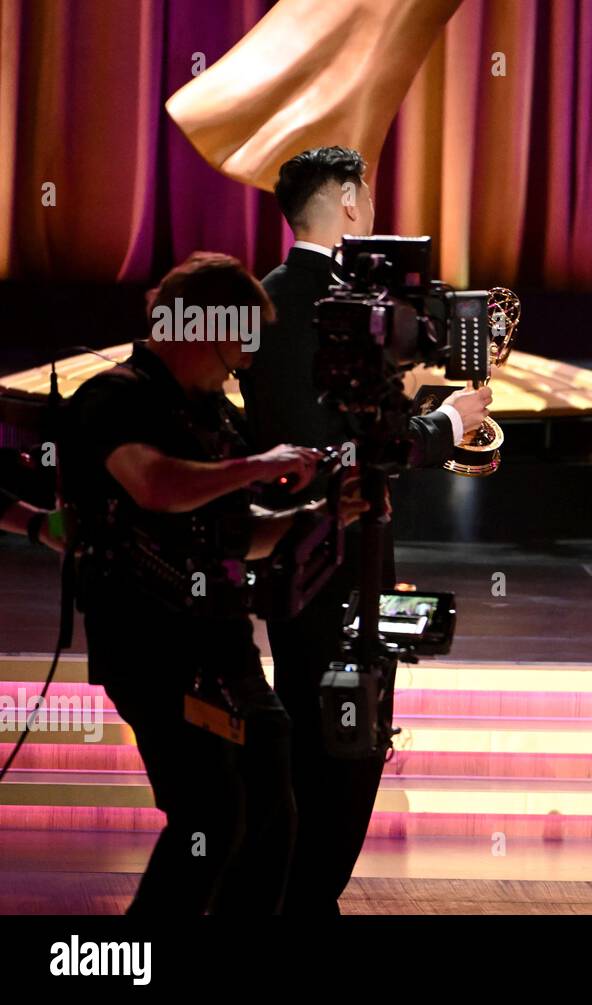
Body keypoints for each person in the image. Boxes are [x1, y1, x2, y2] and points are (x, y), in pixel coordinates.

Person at [60, 252, 366, 913]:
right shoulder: (115, 398)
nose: (246, 362)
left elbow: (242, 532)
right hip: (150, 643)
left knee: (271, 814)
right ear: (196, 326)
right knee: (210, 815)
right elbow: (156, 485)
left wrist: (319, 513)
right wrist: (257, 464)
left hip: (224, 643)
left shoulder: (217, 416)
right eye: (238, 341)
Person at [238, 145, 491, 914]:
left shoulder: (267, 297)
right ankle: (306, 897)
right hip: (336, 553)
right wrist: (444, 424)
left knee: (322, 722)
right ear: (349, 200)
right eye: (368, 194)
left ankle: (298, 892)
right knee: (348, 735)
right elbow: (347, 445)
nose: (373, 208)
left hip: (292, 553)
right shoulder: (339, 305)